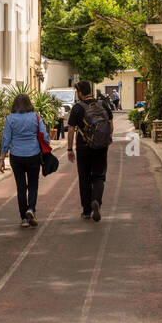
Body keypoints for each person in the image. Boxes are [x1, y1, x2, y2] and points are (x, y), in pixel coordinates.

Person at [67, 79, 114, 221]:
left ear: (80, 93)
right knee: (99, 176)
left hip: (83, 148)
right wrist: (106, 140)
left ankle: (86, 210)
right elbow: (110, 125)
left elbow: (70, 129)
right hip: (101, 147)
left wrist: (69, 149)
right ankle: (96, 200)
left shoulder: (77, 108)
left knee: (84, 178)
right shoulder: (103, 104)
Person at [0, 93, 49, 227]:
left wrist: (2, 157)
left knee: (20, 187)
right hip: (33, 154)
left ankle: (24, 219)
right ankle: (31, 209)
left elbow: (6, 139)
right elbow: (45, 136)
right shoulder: (36, 117)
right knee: (33, 184)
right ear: (29, 103)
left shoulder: (10, 118)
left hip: (16, 156)